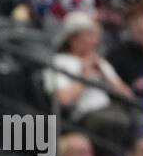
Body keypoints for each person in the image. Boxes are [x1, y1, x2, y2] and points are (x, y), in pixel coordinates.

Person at [45, 10, 136, 141]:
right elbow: (63, 100)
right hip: (83, 116)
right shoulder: (59, 61)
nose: (95, 41)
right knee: (115, 122)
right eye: (88, 35)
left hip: (112, 109)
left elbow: (129, 96)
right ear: (73, 39)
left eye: (95, 35)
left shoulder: (100, 62)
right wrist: (84, 75)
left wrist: (105, 76)